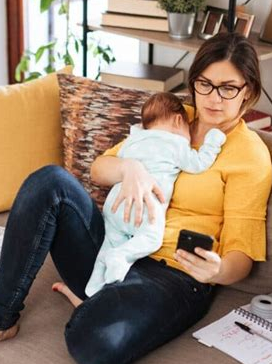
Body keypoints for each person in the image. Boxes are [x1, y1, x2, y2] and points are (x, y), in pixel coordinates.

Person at [0, 32, 272, 364]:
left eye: (228, 88)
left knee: (93, 344)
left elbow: (241, 256)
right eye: (205, 84)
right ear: (194, 82)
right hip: (112, 245)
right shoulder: (171, 117)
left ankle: (91, 302)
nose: (214, 98)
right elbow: (99, 170)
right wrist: (131, 168)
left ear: (248, 90)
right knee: (49, 182)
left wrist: (218, 270)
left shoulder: (250, 155)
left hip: (172, 275)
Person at [85, 92, 226, 297]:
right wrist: (213, 139)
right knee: (150, 239)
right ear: (179, 120)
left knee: (110, 241)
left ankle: (93, 287)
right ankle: (120, 257)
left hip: (116, 202)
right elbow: (198, 164)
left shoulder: (133, 140)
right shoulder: (175, 144)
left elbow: (107, 166)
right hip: (144, 208)